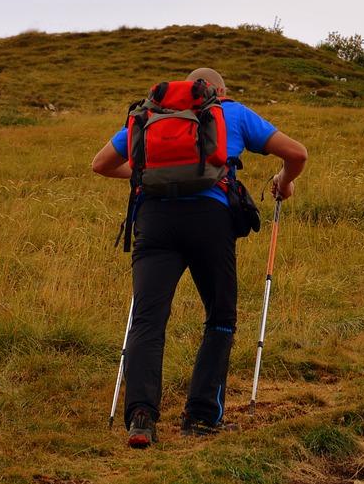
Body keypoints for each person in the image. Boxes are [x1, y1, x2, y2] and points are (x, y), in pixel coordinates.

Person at [90, 67, 308, 447]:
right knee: (220, 317)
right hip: (211, 222)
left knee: (148, 319)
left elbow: (100, 164)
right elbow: (297, 153)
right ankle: (202, 416)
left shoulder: (150, 116)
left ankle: (141, 417)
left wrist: (146, 175)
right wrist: (284, 181)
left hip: (154, 221)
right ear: (218, 90)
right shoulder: (231, 112)